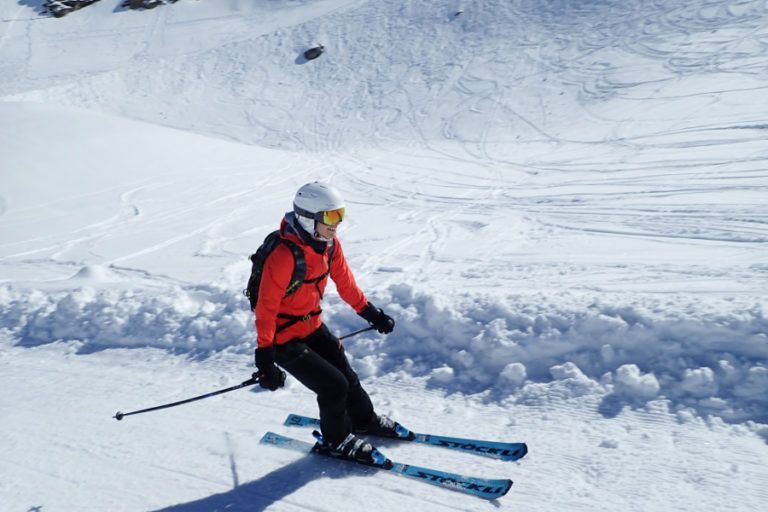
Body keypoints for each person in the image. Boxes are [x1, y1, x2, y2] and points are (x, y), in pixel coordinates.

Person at [253, 181, 401, 464]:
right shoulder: (284, 255)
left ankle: (363, 420)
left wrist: (371, 313)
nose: (338, 223)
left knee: (347, 376)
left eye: (340, 215)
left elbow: (346, 284)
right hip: (283, 337)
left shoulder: (329, 246)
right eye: (331, 216)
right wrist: (265, 358)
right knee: (334, 386)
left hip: (312, 325)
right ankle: (336, 440)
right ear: (309, 218)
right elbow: (266, 308)